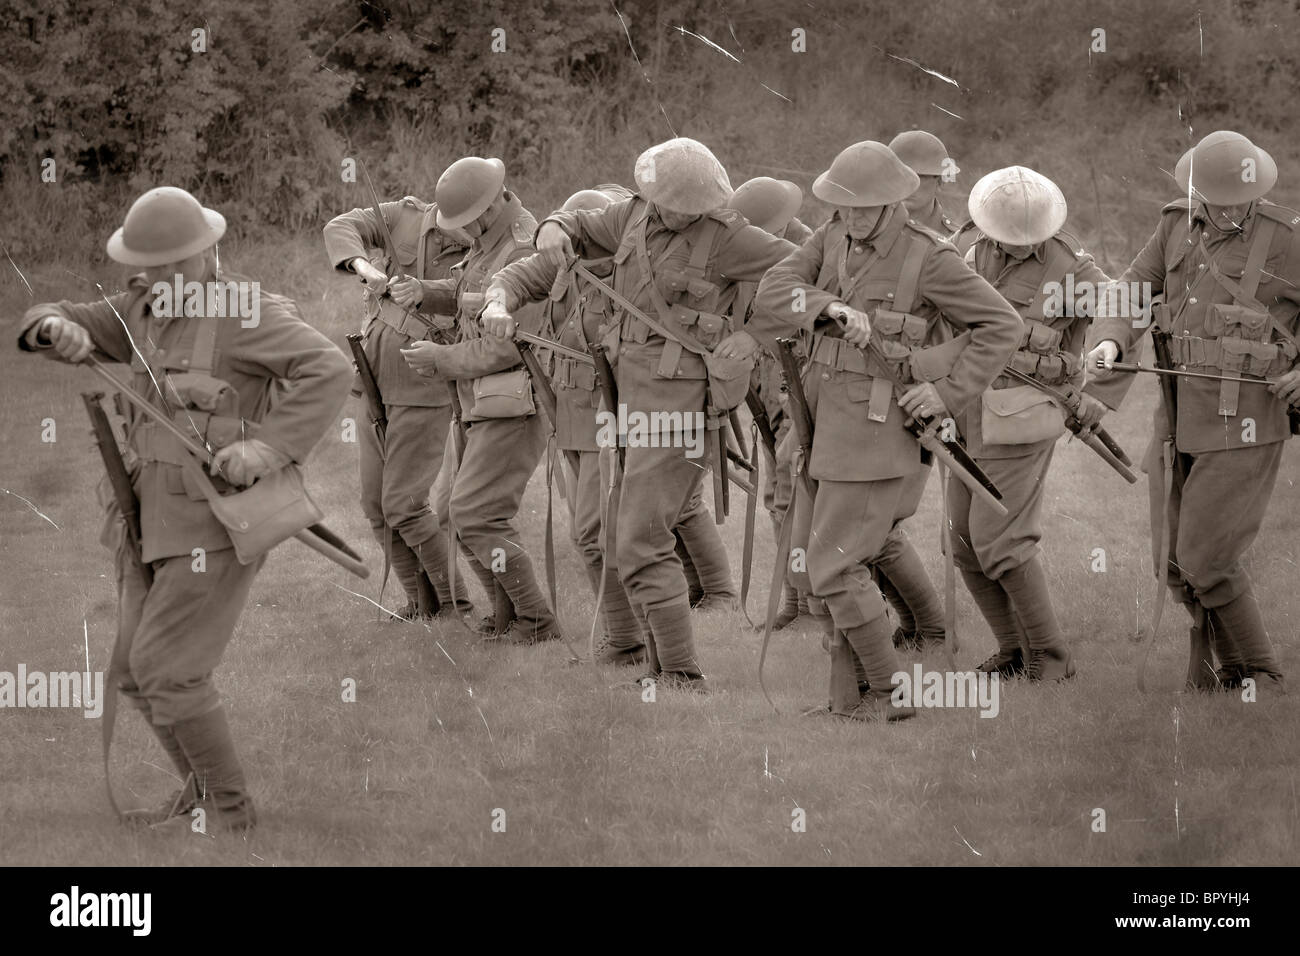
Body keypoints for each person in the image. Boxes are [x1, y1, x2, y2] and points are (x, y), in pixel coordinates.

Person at [17, 186, 351, 829]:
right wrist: (53, 329)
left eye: (178, 262)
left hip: (216, 523)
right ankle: (202, 796)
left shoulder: (248, 311)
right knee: (134, 672)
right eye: (151, 265)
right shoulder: (139, 307)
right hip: (147, 522)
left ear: (210, 250)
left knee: (168, 670)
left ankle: (234, 819)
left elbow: (327, 367)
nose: (165, 277)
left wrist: (266, 449)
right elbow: (49, 315)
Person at [484, 138, 795, 688]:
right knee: (620, 537)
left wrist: (753, 335)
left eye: (684, 205)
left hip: (678, 412)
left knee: (640, 539)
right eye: (666, 200)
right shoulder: (631, 215)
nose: (673, 212)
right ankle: (654, 662)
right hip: (622, 406)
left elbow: (804, 271)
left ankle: (679, 672)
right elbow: (578, 223)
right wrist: (553, 225)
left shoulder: (731, 240)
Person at [752, 141, 1023, 721]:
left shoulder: (929, 257)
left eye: (861, 207)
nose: (849, 216)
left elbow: (1002, 325)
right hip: (820, 426)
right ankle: (848, 698)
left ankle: (890, 694)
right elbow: (773, 290)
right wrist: (828, 308)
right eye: (842, 205)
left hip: (878, 431)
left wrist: (947, 392)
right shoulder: (828, 238)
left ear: (891, 202)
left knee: (833, 567)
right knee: (825, 562)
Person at [1088, 130, 1299, 691]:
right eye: (1214, 197)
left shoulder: (1287, 239)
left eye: (1237, 198)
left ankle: (1258, 670)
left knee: (1206, 556)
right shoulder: (1175, 223)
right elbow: (1131, 288)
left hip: (1246, 421)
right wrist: (1110, 340)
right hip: (1177, 418)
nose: (1226, 209)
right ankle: (1216, 668)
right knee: (1175, 562)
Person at [954, 166, 1113, 681]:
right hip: (964, 413)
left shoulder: (1074, 270)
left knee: (999, 539)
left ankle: (1050, 657)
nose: (1013, 246)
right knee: (960, 541)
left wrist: (1100, 391)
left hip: (1022, 417)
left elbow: (1124, 316)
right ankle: (1012, 651)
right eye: (1004, 238)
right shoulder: (971, 250)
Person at [402, 157, 561, 645]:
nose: (461, 231)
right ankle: (505, 613)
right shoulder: (488, 243)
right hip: (480, 402)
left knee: (476, 513)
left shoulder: (524, 251)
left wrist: (441, 359)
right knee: (451, 511)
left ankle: (537, 620)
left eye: (467, 219)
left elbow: (510, 344)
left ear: (492, 204)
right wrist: (423, 292)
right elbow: (467, 293)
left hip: (516, 402)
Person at [323, 185, 473, 620]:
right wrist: (364, 265)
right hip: (373, 381)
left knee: (405, 504)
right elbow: (342, 224)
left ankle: (452, 604)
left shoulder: (489, 250)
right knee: (375, 506)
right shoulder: (403, 216)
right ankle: (419, 602)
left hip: (425, 390)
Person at [889, 130, 961, 235]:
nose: (909, 184)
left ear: (940, 181)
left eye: (919, 176)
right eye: (901, 175)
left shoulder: (957, 241)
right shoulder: (867, 232)